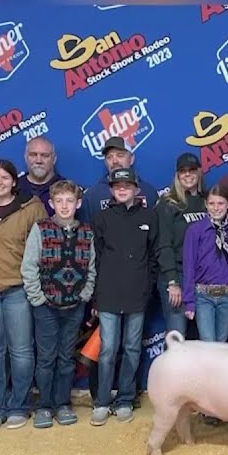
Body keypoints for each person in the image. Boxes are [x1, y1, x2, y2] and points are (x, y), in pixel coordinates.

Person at [0, 158, 48, 431]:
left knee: (22, 351)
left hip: (17, 289)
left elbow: (44, 248)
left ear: (14, 181)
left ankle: (19, 406)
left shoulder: (31, 208)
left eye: (5, 177)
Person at [90, 167, 163, 425]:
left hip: (137, 295)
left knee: (132, 349)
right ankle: (101, 401)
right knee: (108, 349)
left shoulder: (150, 217)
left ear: (136, 189)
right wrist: (96, 297)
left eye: (127, 185)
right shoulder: (101, 218)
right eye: (117, 186)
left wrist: (148, 288)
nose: (122, 189)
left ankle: (125, 399)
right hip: (108, 294)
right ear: (111, 190)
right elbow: (95, 259)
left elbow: (154, 257)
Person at [21, 180, 97, 429]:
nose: (65, 206)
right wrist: (38, 298)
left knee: (66, 358)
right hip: (46, 306)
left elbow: (91, 267)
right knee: (46, 358)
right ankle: (44, 405)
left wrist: (85, 294)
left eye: (70, 201)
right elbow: (29, 266)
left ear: (78, 203)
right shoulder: (41, 229)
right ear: (51, 204)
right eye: (59, 201)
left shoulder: (86, 232)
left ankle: (63, 403)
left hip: (74, 306)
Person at [155, 152, 207, 337]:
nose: (187, 174)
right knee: (177, 336)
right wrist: (172, 282)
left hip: (204, 278)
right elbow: (163, 245)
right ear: (177, 175)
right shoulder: (168, 204)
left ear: (199, 172)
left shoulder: (208, 201)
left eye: (192, 170)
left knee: (203, 338)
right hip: (178, 275)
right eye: (183, 171)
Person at [182, 185, 228, 343]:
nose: (216, 208)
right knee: (208, 344)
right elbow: (188, 266)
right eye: (212, 203)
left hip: (226, 295)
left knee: (221, 343)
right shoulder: (195, 230)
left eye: (221, 203)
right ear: (206, 205)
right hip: (203, 295)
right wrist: (189, 301)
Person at [78, 136, 160, 223]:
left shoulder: (149, 192)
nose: (115, 161)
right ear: (105, 162)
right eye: (109, 157)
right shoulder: (92, 196)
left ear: (131, 159)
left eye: (120, 155)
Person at [15, 137, 74, 215]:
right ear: (25, 157)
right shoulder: (13, 189)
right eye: (33, 155)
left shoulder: (68, 189)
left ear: (54, 159)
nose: (38, 160)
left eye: (45, 155)